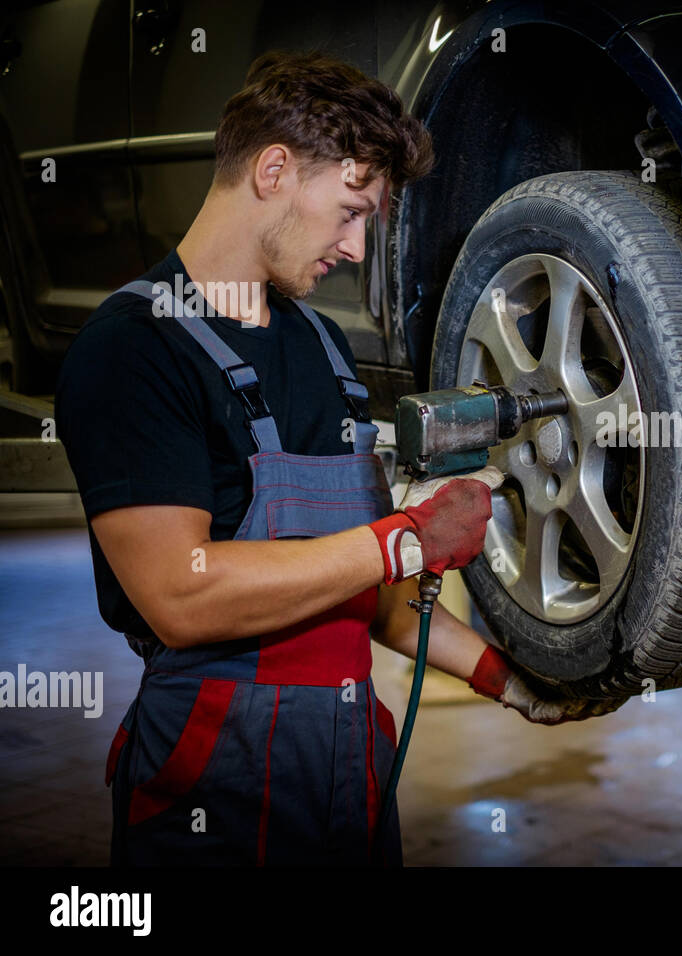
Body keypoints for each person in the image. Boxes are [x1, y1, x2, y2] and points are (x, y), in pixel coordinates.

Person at [54, 50, 622, 867]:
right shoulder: (132, 351)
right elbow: (182, 595)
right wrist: (407, 538)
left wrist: (507, 679)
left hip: (348, 761)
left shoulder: (324, 348)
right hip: (214, 767)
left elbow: (378, 605)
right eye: (351, 210)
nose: (357, 249)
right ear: (274, 169)